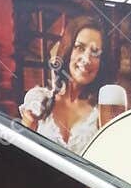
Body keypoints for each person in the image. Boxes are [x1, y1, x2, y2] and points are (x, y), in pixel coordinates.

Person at [18, 14, 111, 154]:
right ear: (67, 50)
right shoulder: (38, 99)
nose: (86, 59)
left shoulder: (102, 113)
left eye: (95, 53)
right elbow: (20, 153)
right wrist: (28, 127)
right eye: (80, 47)